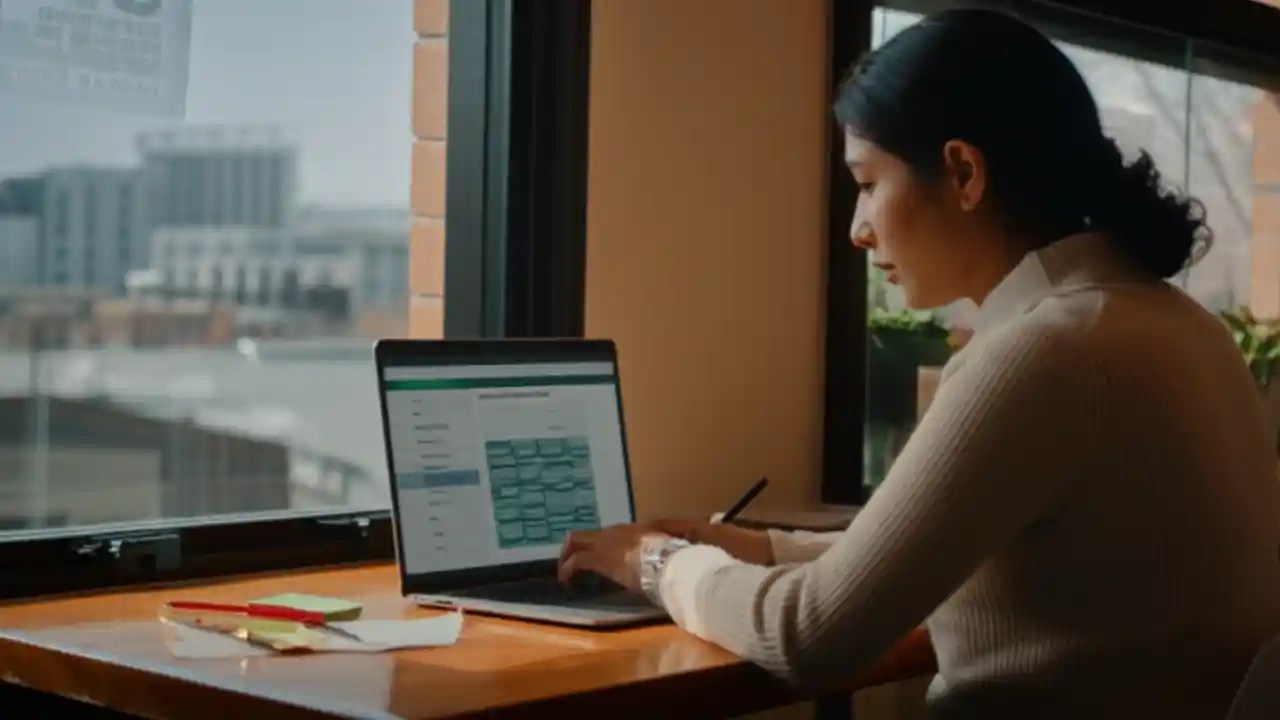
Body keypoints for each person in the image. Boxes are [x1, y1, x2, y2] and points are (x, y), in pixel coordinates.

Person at [557, 8, 1280, 719]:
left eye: (868, 183)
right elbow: (937, 547)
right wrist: (756, 546)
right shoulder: (1181, 328)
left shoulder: (1048, 350)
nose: (857, 230)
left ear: (964, 173)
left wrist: (651, 564)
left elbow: (810, 635)